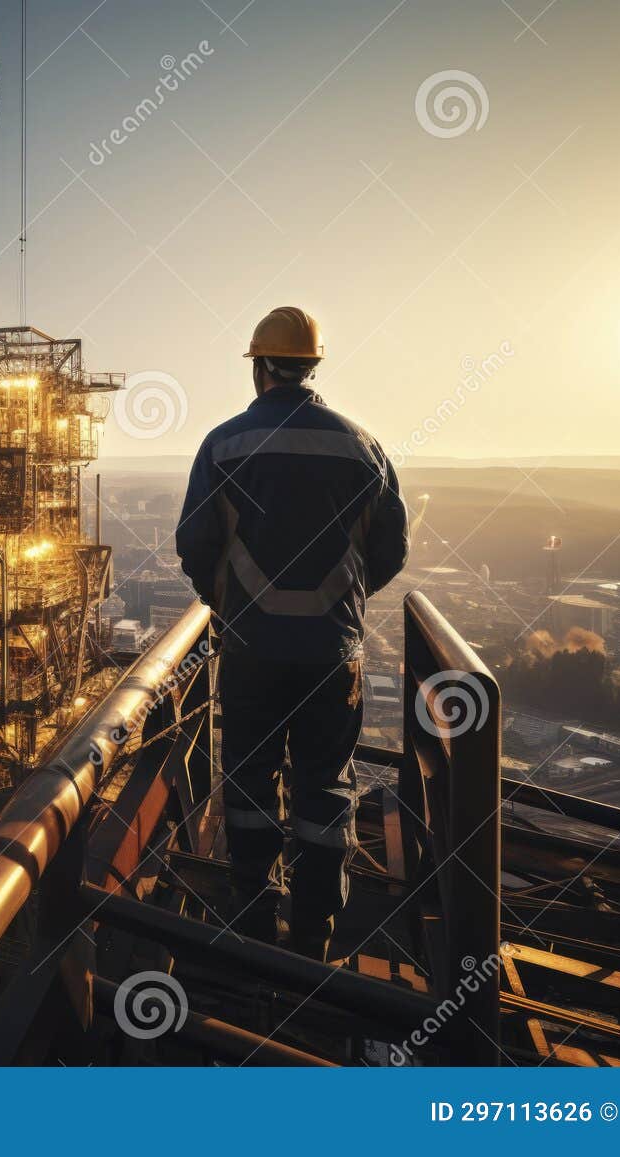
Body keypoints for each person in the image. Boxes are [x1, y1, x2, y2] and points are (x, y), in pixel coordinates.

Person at [174, 306, 408, 961]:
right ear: (313, 366)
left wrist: (230, 603)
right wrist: (335, 608)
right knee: (326, 784)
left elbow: (194, 543)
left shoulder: (223, 445)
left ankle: (251, 917)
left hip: (250, 651)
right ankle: (315, 932)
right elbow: (390, 549)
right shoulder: (363, 447)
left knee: (248, 784)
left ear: (259, 366)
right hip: (332, 656)